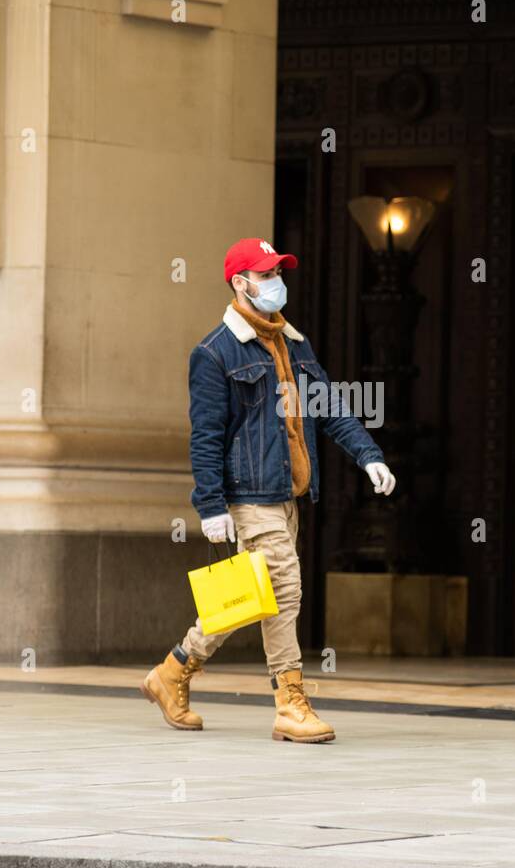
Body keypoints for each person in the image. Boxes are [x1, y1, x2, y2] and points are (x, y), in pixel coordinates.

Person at [140, 237, 396, 743]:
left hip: (287, 494)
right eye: (265, 274)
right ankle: (289, 702)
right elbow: (207, 434)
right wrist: (211, 504)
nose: (276, 282)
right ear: (241, 284)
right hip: (248, 495)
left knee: (252, 599)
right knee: (284, 590)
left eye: (278, 272)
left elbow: (327, 405)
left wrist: (369, 455)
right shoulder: (214, 353)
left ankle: (172, 672)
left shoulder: (292, 343)